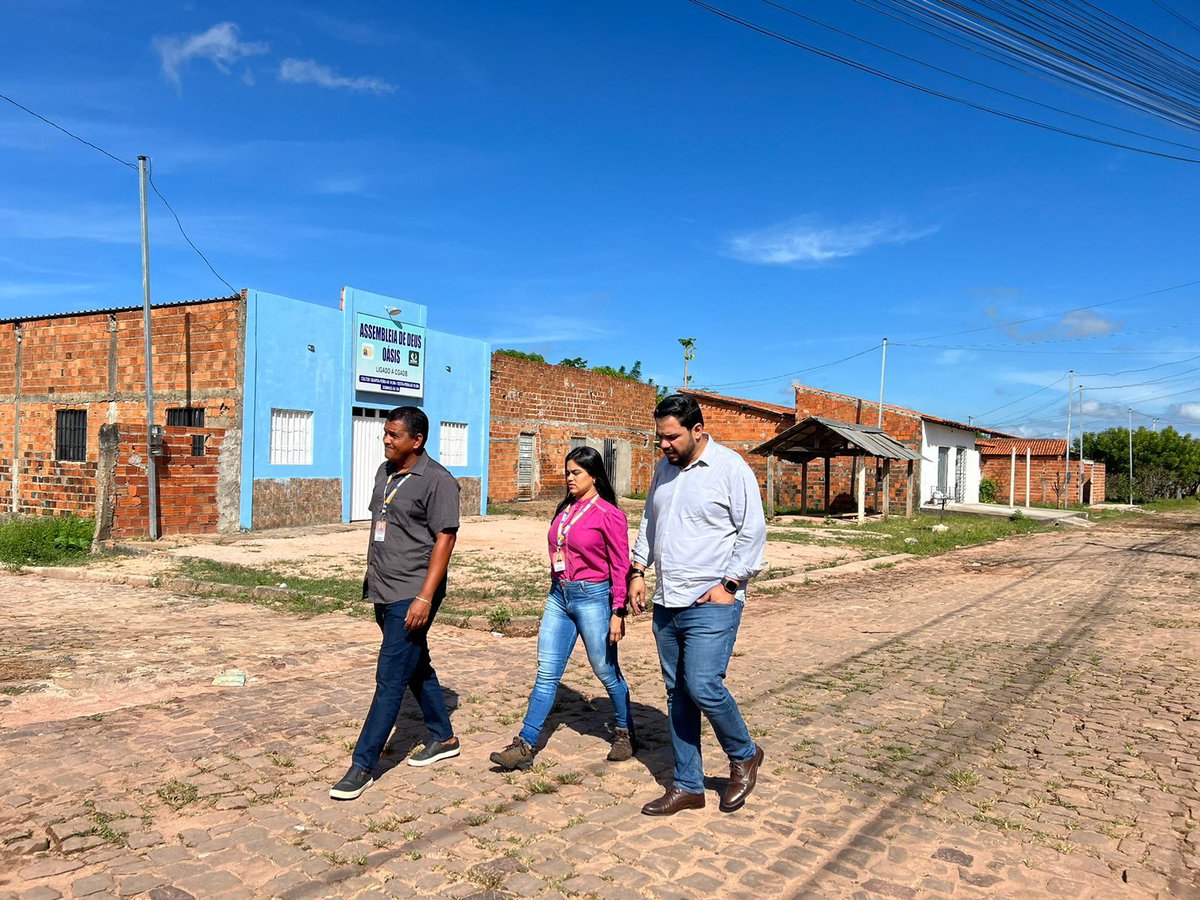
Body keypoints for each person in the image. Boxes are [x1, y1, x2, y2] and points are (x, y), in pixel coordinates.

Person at [628, 393, 767, 816]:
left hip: (712, 598)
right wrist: (637, 568)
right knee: (678, 694)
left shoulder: (729, 468)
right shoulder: (663, 470)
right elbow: (650, 521)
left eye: (671, 438)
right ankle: (688, 785)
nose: (664, 446)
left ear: (698, 430)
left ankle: (743, 754)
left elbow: (753, 530)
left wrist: (730, 583)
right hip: (668, 598)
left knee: (703, 684)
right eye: (660, 439)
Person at [330, 406, 462, 801]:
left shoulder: (438, 481)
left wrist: (424, 596)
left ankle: (363, 764)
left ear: (416, 441)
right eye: (385, 433)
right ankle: (443, 735)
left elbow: (445, 540)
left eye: (393, 435)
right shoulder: (385, 473)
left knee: (390, 678)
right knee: (414, 664)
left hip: (413, 592)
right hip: (383, 588)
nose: (385, 440)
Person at [490, 446, 636, 770]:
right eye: (567, 472)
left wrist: (618, 611)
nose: (569, 478)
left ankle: (625, 730)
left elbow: (620, 564)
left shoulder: (609, 514)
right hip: (559, 596)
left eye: (576, 473)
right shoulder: (566, 508)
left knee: (605, 670)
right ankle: (525, 745)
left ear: (594, 475)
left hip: (594, 598)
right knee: (546, 673)